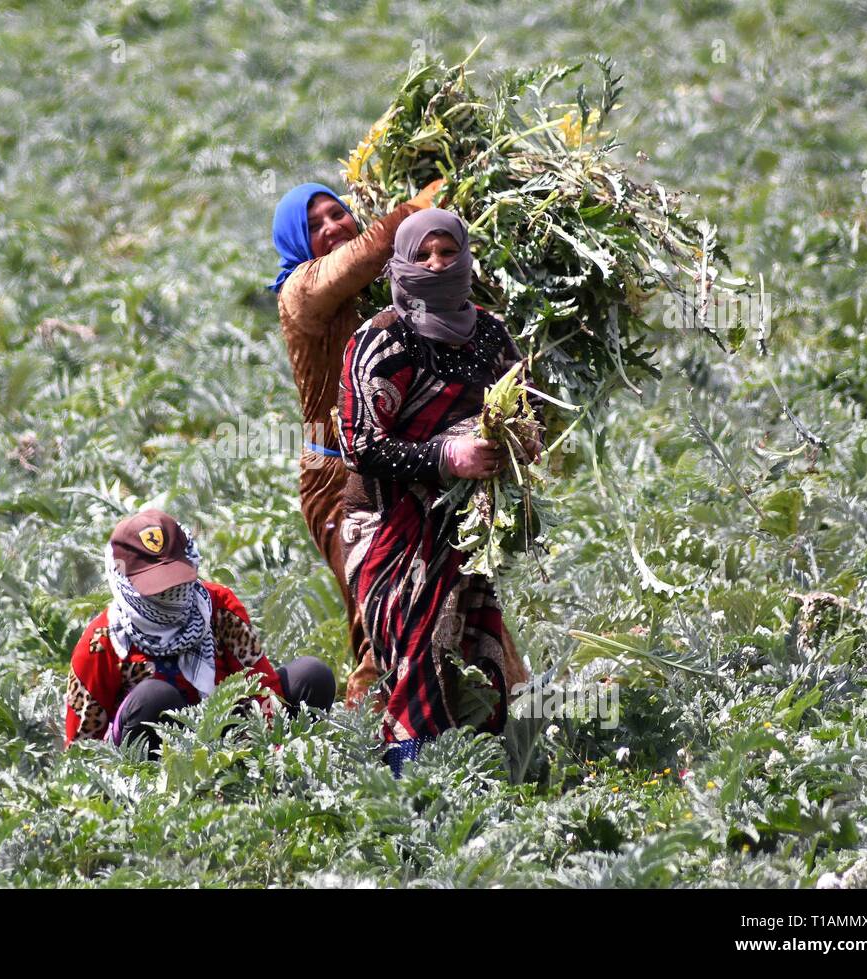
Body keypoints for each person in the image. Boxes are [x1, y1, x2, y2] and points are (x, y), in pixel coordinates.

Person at [336, 209, 538, 776]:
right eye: (422, 255)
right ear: (400, 263)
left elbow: (523, 404)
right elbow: (361, 445)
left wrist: (521, 440)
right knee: (414, 656)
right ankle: (411, 786)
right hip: (386, 525)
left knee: (476, 652)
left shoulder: (492, 334)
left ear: (466, 258)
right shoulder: (381, 341)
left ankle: (484, 778)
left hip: (462, 530)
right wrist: (448, 456)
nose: (435, 265)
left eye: (447, 253)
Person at [270, 177, 444, 709]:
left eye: (337, 214)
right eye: (314, 224)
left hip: (400, 462)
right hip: (338, 478)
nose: (330, 228)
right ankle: (364, 747)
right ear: (296, 242)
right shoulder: (301, 291)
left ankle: (459, 720)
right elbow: (366, 252)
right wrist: (419, 211)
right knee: (381, 616)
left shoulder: (382, 286)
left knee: (440, 600)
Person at [64, 509, 336, 754]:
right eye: (159, 587)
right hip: (155, 761)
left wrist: (270, 746)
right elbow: (82, 747)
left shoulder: (218, 605)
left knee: (311, 676)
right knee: (156, 699)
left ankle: (289, 769)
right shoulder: (100, 644)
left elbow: (259, 682)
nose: (172, 594)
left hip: (230, 734)